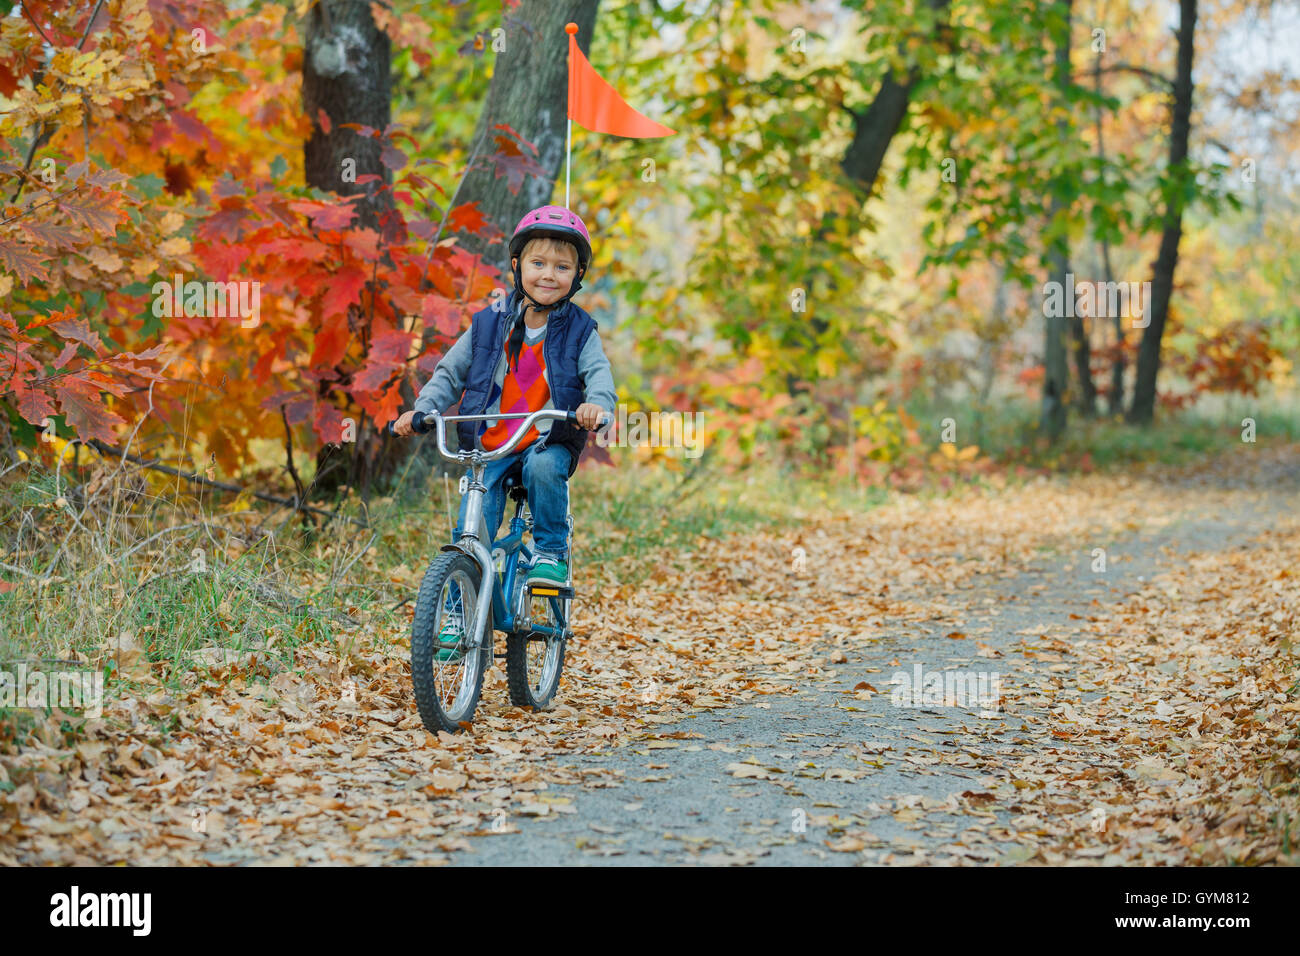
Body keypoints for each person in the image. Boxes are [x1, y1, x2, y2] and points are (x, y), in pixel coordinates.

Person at [392, 204, 616, 592]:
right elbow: (450, 372)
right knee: (471, 532)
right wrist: (424, 409)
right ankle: (458, 609)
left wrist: (596, 405)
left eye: (562, 268)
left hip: (547, 439)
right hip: (492, 443)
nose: (549, 274)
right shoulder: (488, 322)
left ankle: (550, 551)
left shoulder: (580, 329)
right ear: (517, 264)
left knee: (545, 470)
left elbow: (598, 373)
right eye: (539, 263)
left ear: (578, 275)